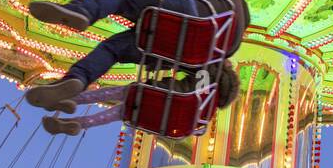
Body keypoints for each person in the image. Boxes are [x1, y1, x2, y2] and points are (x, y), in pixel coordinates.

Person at [26, 0, 250, 108]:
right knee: (112, 50)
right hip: (165, 47)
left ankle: (82, 11)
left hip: (178, 10)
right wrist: (154, 88)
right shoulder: (225, 50)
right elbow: (182, 87)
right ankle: (77, 79)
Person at [41, 66, 240, 135]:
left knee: (111, 94)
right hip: (156, 117)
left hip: (158, 93)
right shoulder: (208, 110)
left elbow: (187, 67)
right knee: (117, 113)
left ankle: (70, 98)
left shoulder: (209, 73)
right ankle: (79, 123)